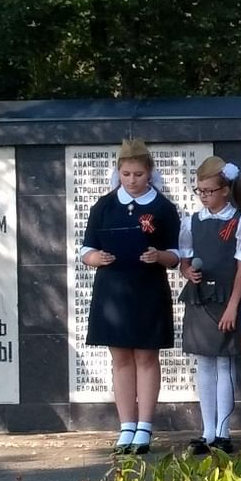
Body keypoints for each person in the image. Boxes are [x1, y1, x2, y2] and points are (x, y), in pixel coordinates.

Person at [80, 138, 182, 454]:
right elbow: (86, 248)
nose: (132, 180)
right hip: (113, 291)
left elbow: (177, 253)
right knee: (121, 358)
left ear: (149, 173)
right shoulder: (104, 206)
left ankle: (145, 427)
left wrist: (160, 256)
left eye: (138, 174)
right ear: (118, 173)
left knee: (146, 357)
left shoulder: (163, 208)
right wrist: (94, 258)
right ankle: (126, 425)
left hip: (148, 290)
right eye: (126, 174)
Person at [175, 156, 241, 456]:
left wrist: (234, 305)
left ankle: (223, 430)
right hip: (200, 299)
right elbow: (184, 258)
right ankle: (207, 430)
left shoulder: (240, 222)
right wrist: (186, 272)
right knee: (204, 362)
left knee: (224, 361)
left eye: (209, 190)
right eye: (200, 191)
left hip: (225, 300)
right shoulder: (192, 221)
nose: (204, 196)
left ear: (225, 190)